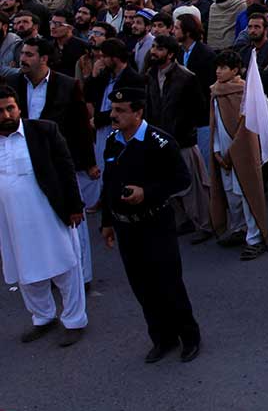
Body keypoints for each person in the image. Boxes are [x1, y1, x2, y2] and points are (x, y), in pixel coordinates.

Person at [99, 87, 201, 363]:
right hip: (126, 228)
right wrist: (107, 221)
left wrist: (147, 192)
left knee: (168, 282)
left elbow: (182, 180)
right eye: (113, 109)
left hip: (154, 224)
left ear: (138, 112)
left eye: (121, 110)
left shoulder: (159, 142)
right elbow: (108, 182)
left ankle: (189, 336)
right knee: (142, 286)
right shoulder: (113, 140)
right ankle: (162, 338)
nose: (114, 115)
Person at [0, 85, 88, 347]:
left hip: (48, 211)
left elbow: (66, 167)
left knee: (66, 265)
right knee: (25, 269)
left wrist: (74, 206)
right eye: (0, 110)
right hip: (10, 220)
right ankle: (43, 317)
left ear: (18, 107)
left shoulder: (43, 130)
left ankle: (74, 320)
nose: (6, 114)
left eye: (10, 108)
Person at [144, 34, 213, 243]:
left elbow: (198, 109)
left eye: (159, 48)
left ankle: (205, 224)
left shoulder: (186, 77)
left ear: (171, 54)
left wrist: (184, 130)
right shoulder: (150, 74)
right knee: (169, 186)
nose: (153, 51)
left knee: (192, 187)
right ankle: (184, 221)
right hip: (159, 139)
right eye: (153, 47)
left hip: (182, 140)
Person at [207, 50, 268, 261]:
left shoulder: (245, 92)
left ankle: (254, 238)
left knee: (245, 193)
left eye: (224, 68)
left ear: (235, 70)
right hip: (223, 152)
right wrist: (216, 149)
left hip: (240, 152)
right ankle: (238, 229)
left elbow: (256, 120)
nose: (218, 71)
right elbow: (216, 122)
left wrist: (236, 149)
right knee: (231, 195)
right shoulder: (216, 91)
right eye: (217, 67)